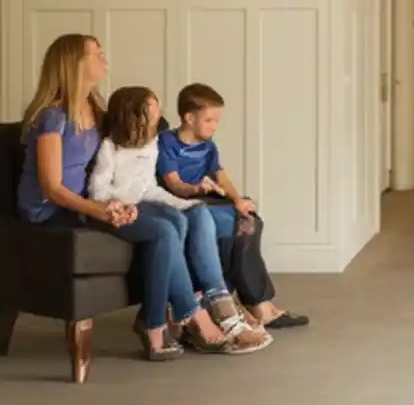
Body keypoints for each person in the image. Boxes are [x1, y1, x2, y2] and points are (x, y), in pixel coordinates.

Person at [17, 34, 266, 360]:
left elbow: (129, 135)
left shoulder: (93, 109)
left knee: (181, 219)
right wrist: (100, 209)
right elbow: (51, 187)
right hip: (51, 211)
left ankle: (171, 318)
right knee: (164, 230)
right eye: (97, 54)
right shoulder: (53, 117)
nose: (104, 59)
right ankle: (184, 319)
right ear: (73, 63)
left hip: (88, 202)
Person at [89, 85, 272, 356]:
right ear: (133, 117)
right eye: (152, 112)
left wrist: (189, 203)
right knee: (175, 225)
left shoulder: (152, 144)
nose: (159, 118)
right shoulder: (110, 147)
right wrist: (120, 203)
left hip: (151, 201)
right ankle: (200, 313)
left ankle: (226, 304)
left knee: (205, 214)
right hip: (123, 208)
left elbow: (149, 187)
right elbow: (98, 190)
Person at [158, 83, 310, 330]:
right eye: (209, 120)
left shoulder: (208, 147)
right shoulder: (167, 142)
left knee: (249, 220)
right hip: (183, 204)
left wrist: (238, 200)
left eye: (216, 121)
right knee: (235, 226)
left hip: (209, 200)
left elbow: (222, 177)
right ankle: (255, 303)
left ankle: (249, 300)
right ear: (188, 117)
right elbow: (173, 184)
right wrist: (196, 188)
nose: (214, 126)